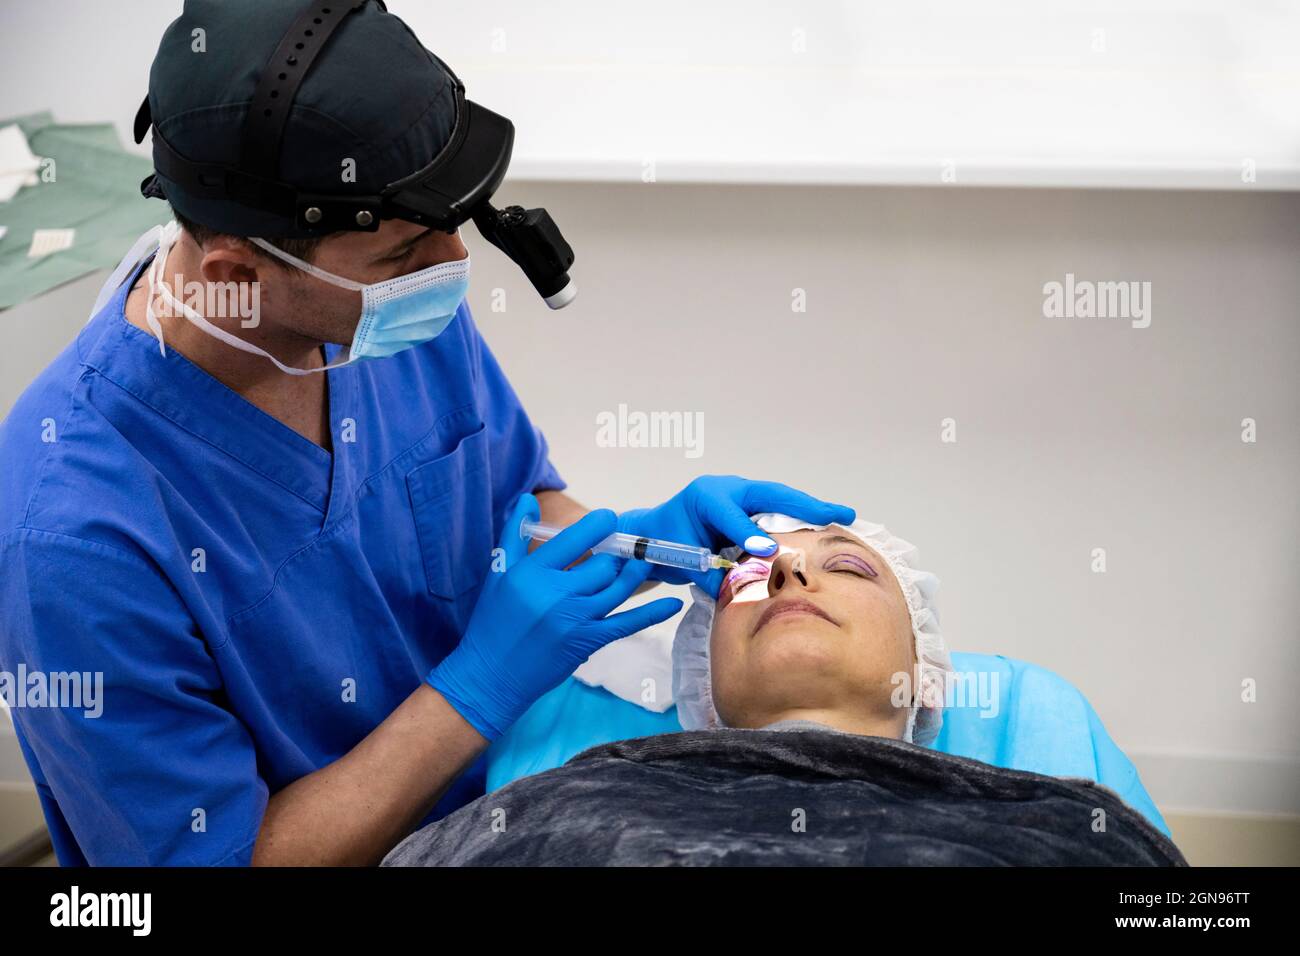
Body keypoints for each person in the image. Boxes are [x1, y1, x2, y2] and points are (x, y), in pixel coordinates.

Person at [0, 0, 852, 866]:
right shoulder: (72, 536)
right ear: (237, 273)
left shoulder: (379, 315)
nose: (452, 266)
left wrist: (637, 542)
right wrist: (473, 693)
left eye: (452, 225)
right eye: (405, 253)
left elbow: (520, 505)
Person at [383, 513, 1187, 866]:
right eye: (753, 575)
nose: (795, 569)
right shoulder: (544, 810)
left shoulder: (1055, 818)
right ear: (703, 681)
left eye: (847, 565)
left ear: (925, 672)